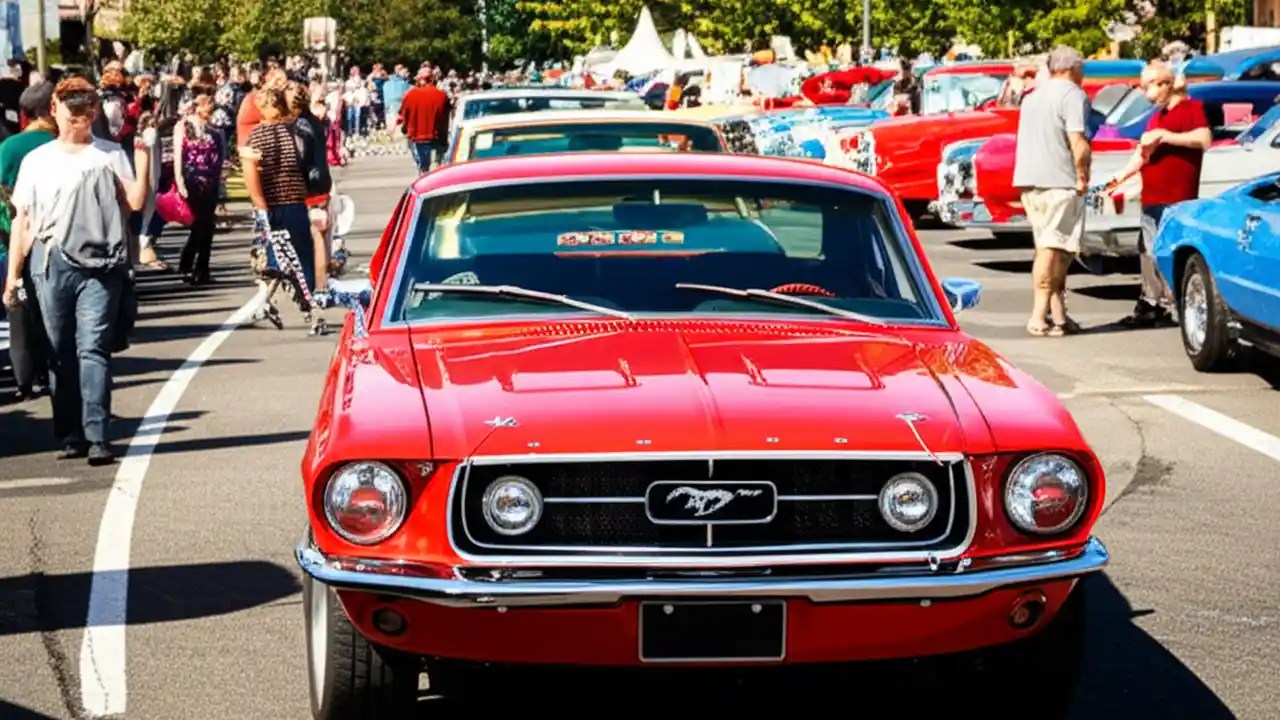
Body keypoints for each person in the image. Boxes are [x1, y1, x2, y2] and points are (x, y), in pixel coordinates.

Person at [2, 77, 151, 464]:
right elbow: (23, 221)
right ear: (55, 110)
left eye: (86, 111)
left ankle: (98, 435)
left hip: (101, 266)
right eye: (72, 112)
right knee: (59, 352)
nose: (79, 119)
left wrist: (144, 158)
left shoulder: (109, 154)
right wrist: (12, 277)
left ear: (95, 112)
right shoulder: (38, 160)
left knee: (93, 349)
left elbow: (134, 202)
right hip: (51, 264)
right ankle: (71, 433)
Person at [1105, 61, 1211, 328]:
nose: (1145, 92)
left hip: (1176, 195)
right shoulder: (1157, 115)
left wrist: (1166, 137)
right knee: (1148, 251)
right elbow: (1143, 154)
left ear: (1164, 84)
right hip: (1152, 195)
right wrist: (1120, 177)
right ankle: (1152, 303)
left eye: (1147, 86)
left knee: (1169, 250)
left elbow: (1203, 139)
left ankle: (1176, 302)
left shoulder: (1190, 109)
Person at [1011, 45, 1091, 338]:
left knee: (1055, 249)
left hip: (1030, 182)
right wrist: (1083, 175)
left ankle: (1059, 315)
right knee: (1051, 249)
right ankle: (1038, 315)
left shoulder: (1032, 98)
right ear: (1072, 68)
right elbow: (1078, 141)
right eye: (1082, 67)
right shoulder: (1072, 95)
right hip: (1059, 182)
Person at [0, 81, 56, 400]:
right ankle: (50, 371)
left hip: (13, 246)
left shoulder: (9, 148)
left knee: (19, 306)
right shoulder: (60, 144)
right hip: (52, 244)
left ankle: (25, 377)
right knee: (51, 310)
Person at [398, 69, 449, 174]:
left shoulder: (410, 95)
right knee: (437, 167)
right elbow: (446, 119)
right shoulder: (442, 96)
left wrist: (404, 129)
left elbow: (404, 116)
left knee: (422, 166)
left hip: (417, 137)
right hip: (436, 137)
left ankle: (423, 175)